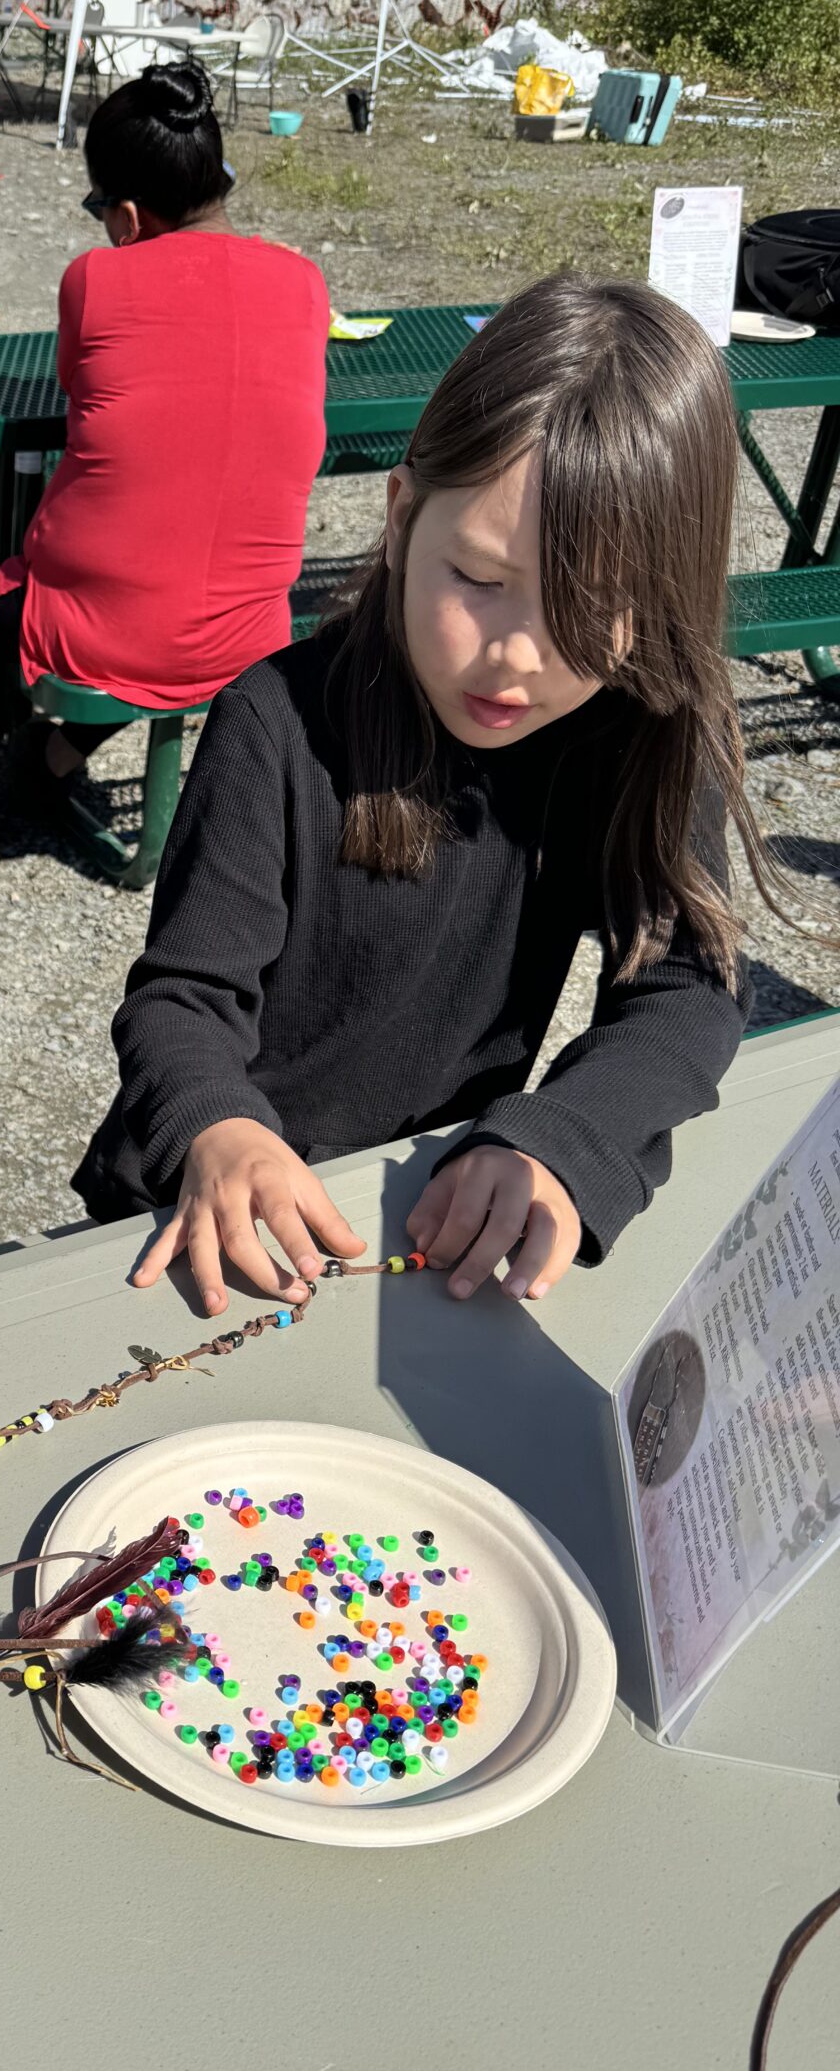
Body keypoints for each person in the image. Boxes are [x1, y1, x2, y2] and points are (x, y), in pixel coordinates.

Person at [75, 273, 787, 1310]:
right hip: (203, 1214)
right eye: (480, 580)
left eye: (589, 615)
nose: (515, 655)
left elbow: (686, 988)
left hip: (427, 1221)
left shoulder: (640, 726)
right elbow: (183, 996)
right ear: (404, 514)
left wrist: (558, 1137)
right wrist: (218, 1125)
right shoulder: (276, 720)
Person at [0, 62, 328, 872]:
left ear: (125, 216)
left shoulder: (98, 281)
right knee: (163, 590)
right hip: (252, 631)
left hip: (124, 633)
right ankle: (49, 762)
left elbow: (81, 382)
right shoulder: (304, 284)